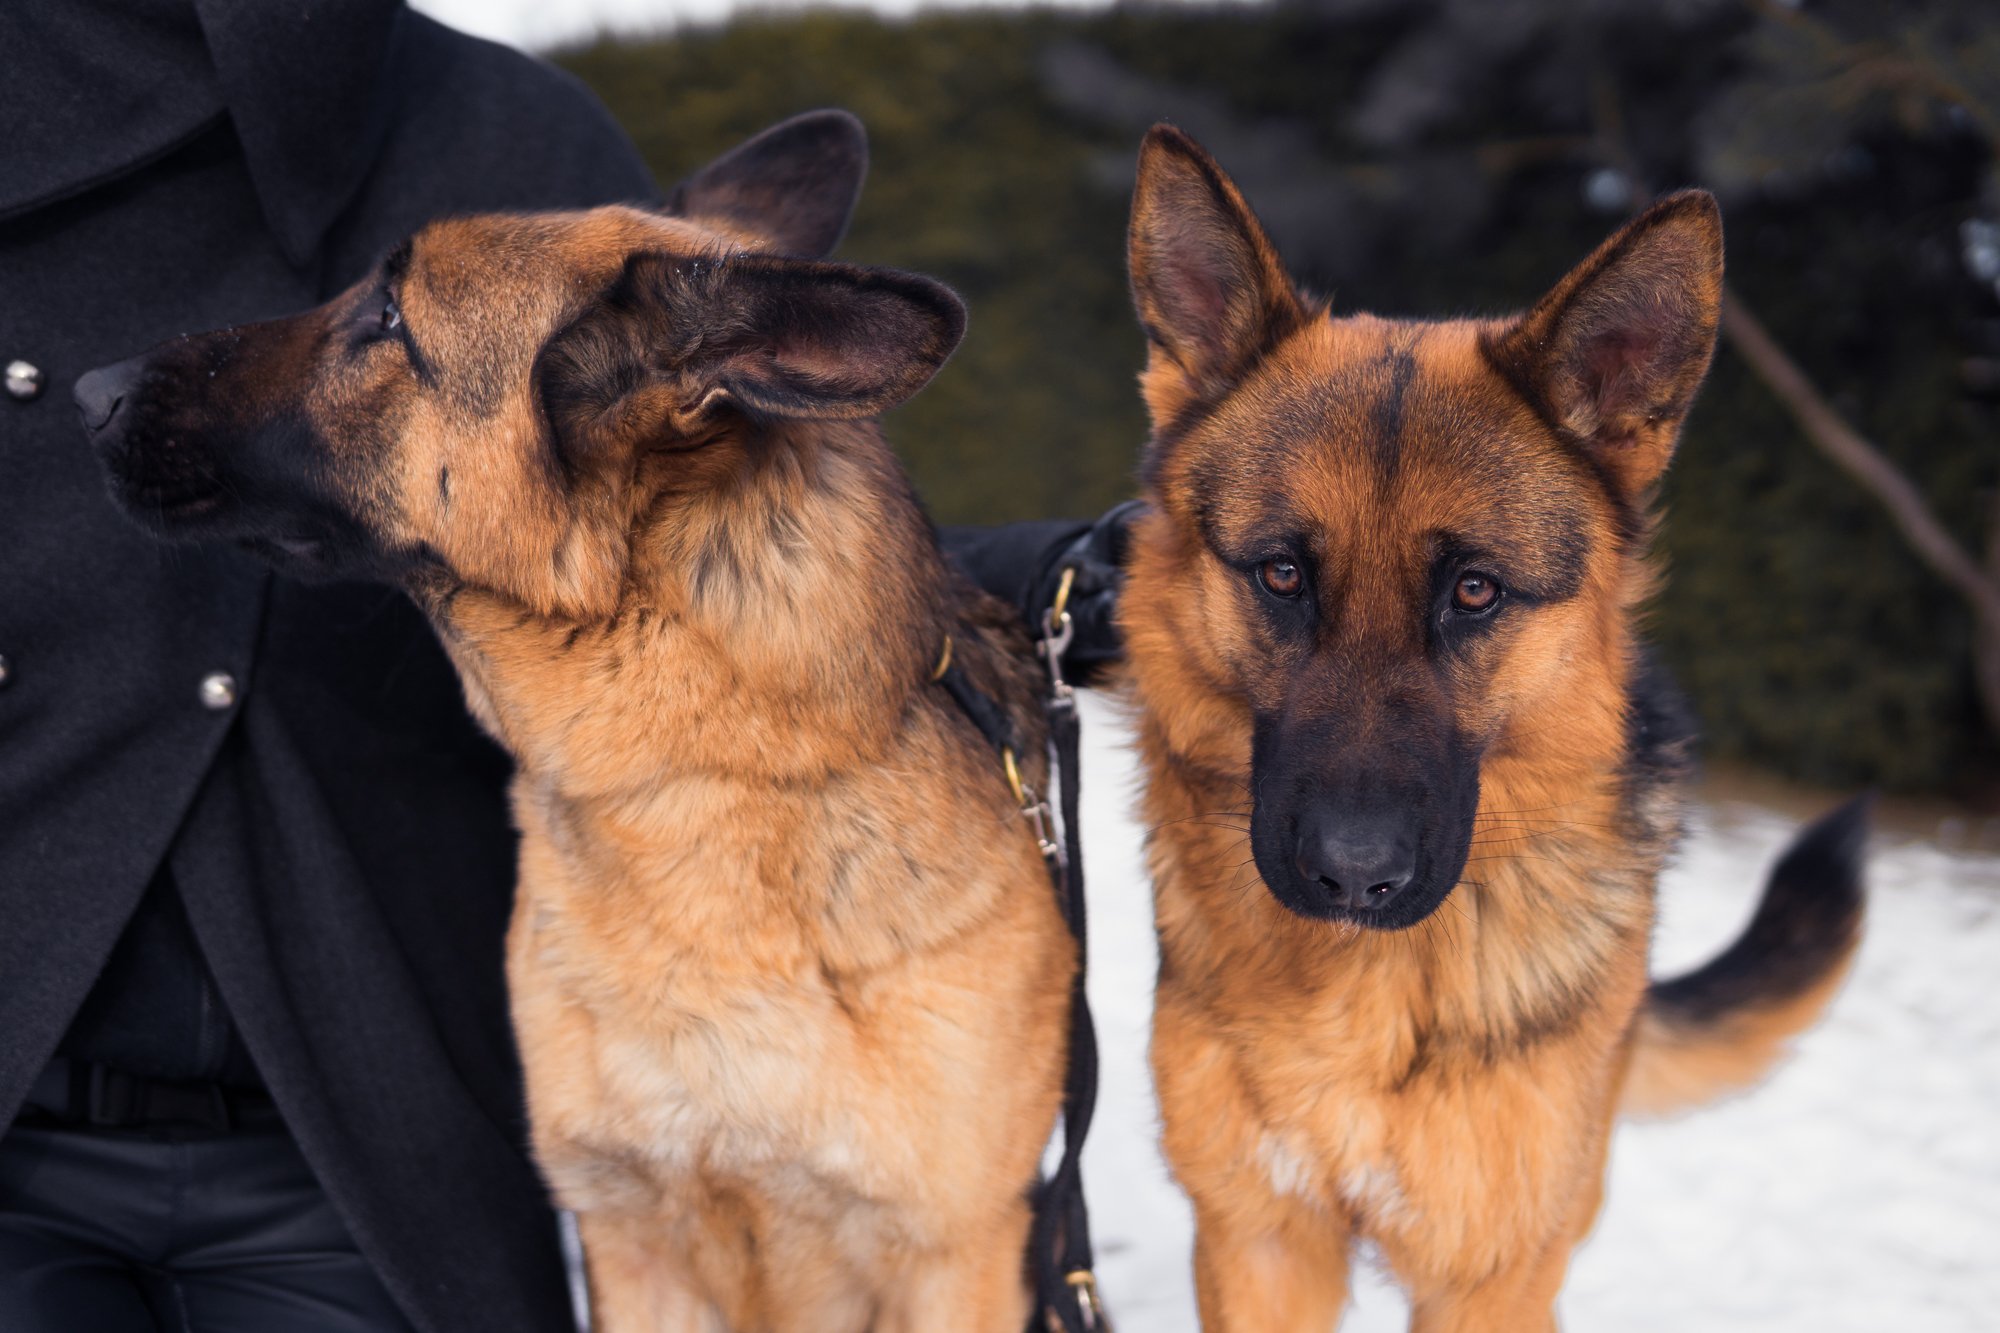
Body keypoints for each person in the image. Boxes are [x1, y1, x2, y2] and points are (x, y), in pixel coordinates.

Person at [0, 3, 1127, 1330]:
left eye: (382, 327)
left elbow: (710, 525)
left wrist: (1050, 568)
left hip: (361, 1134)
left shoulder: (506, 139)